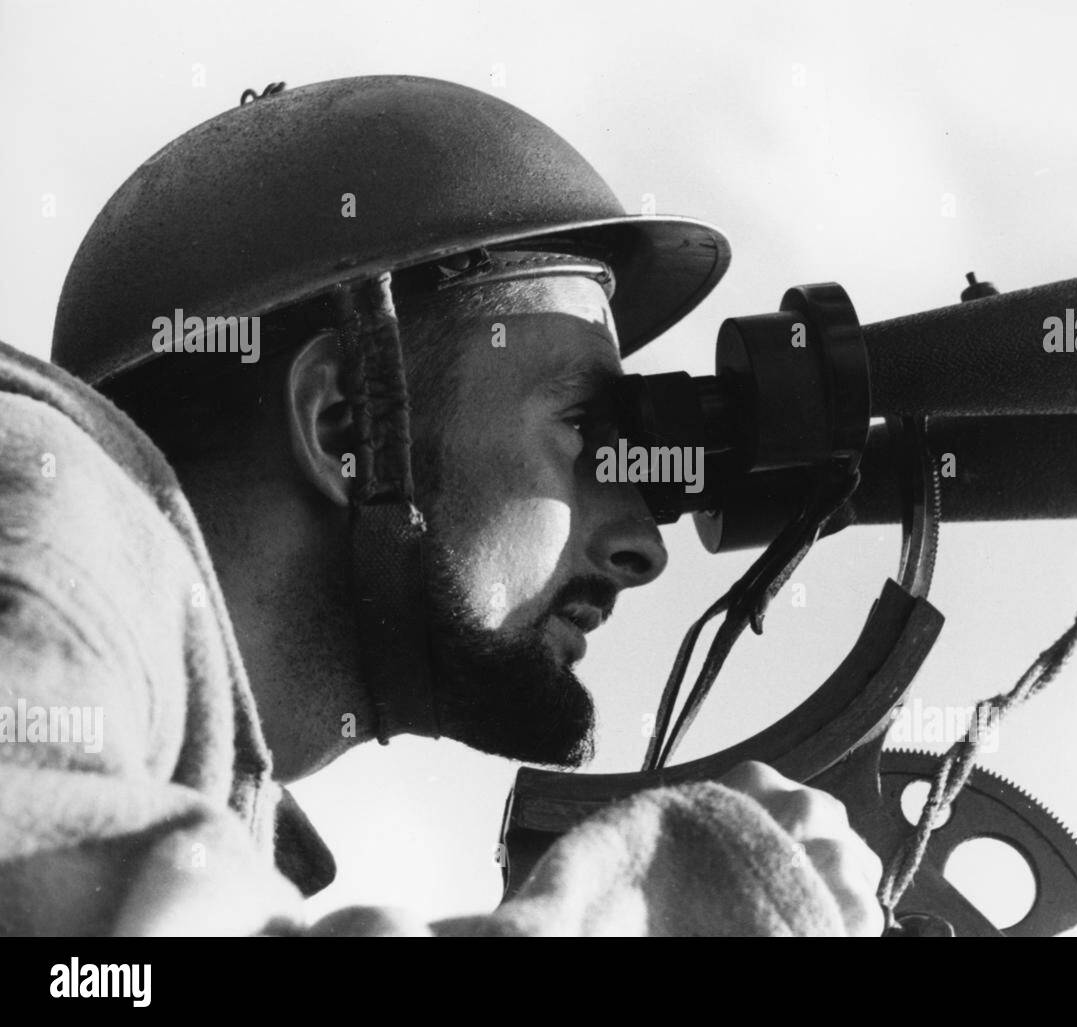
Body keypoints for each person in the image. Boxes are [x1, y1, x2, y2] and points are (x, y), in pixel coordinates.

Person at [0, 75, 882, 936]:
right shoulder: (45, 502)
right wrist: (707, 897)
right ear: (347, 419)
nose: (644, 546)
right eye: (583, 426)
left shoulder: (219, 832)